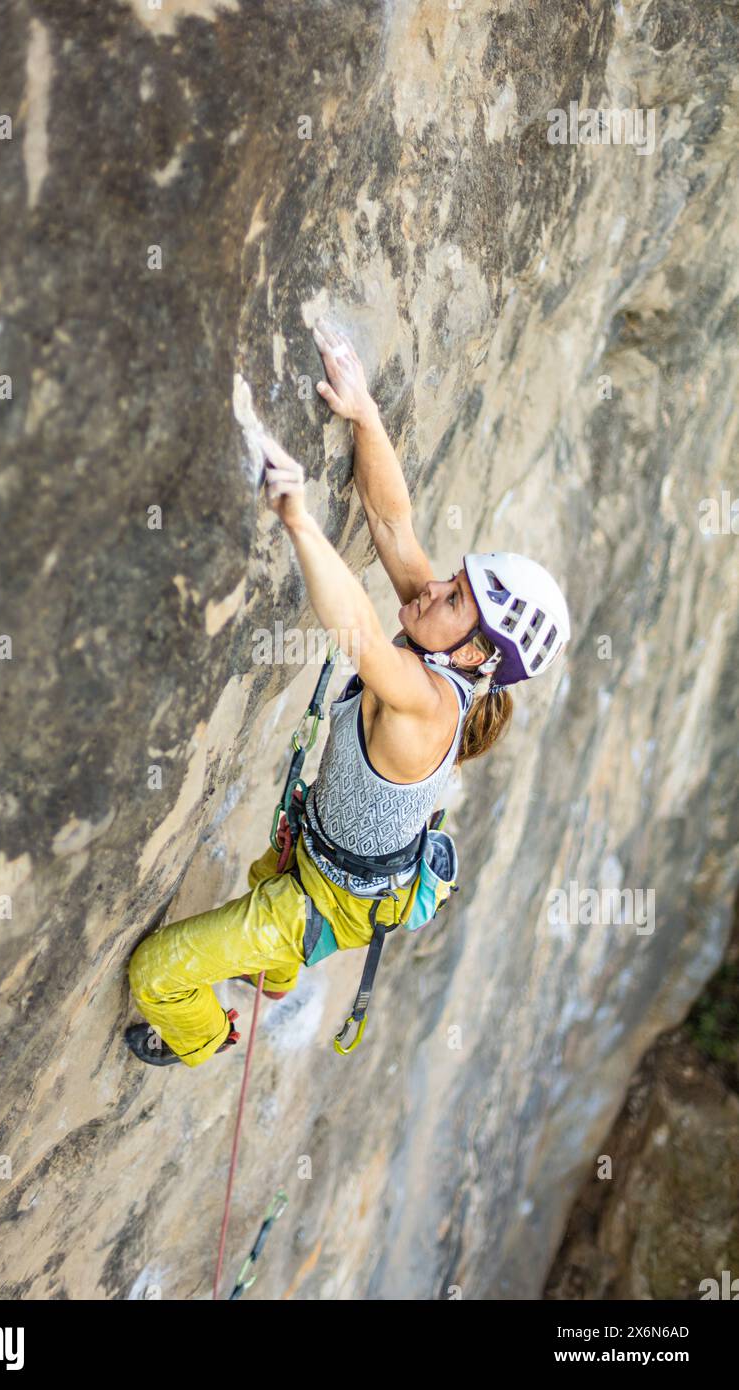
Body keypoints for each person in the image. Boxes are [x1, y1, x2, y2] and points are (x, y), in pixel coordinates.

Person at [125, 318, 570, 1067]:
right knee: (264, 887)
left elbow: (360, 633)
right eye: (454, 582)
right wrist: (364, 412)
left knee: (156, 972)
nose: (432, 590)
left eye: (455, 600)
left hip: (324, 901)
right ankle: (270, 972)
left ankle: (203, 1037)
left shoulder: (430, 705)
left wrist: (295, 516)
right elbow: (393, 524)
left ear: (475, 655)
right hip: (329, 862)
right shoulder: (443, 637)